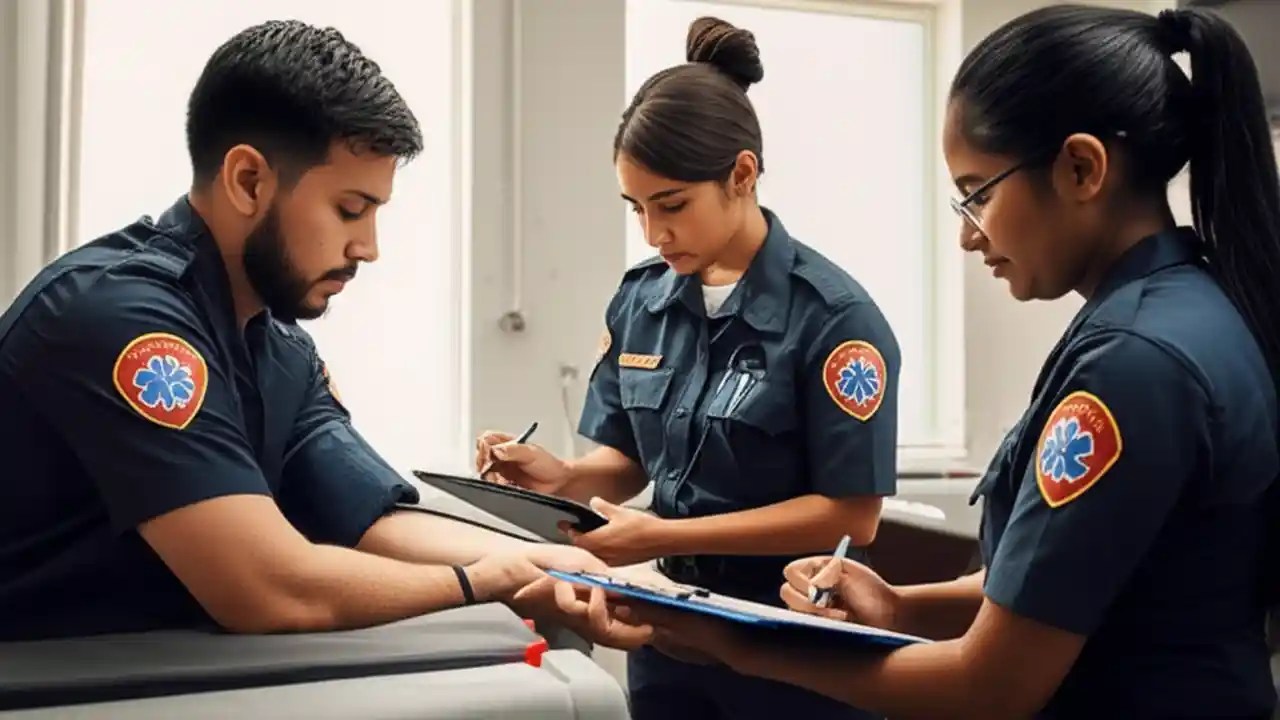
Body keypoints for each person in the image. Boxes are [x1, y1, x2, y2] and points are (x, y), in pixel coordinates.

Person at [553, 4, 1280, 718]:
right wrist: (901, 604)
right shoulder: (1186, 313)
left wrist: (727, 639)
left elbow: (987, 688)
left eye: (976, 196)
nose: (968, 236)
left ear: (1082, 168)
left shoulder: (1133, 363)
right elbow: (1069, 587)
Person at [0, 19, 631, 644]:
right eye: (349, 210)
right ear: (248, 181)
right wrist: (485, 578)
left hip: (145, 669)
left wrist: (549, 564)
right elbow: (268, 588)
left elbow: (370, 518)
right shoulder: (121, 320)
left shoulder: (277, 347)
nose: (369, 246)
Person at [475, 16, 898, 720]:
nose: (653, 231)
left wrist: (663, 535)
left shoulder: (833, 318)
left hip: (791, 646)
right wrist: (565, 478)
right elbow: (629, 462)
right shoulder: (642, 300)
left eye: (671, 205)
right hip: (668, 637)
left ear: (742, 174)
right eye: (636, 207)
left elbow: (853, 511)